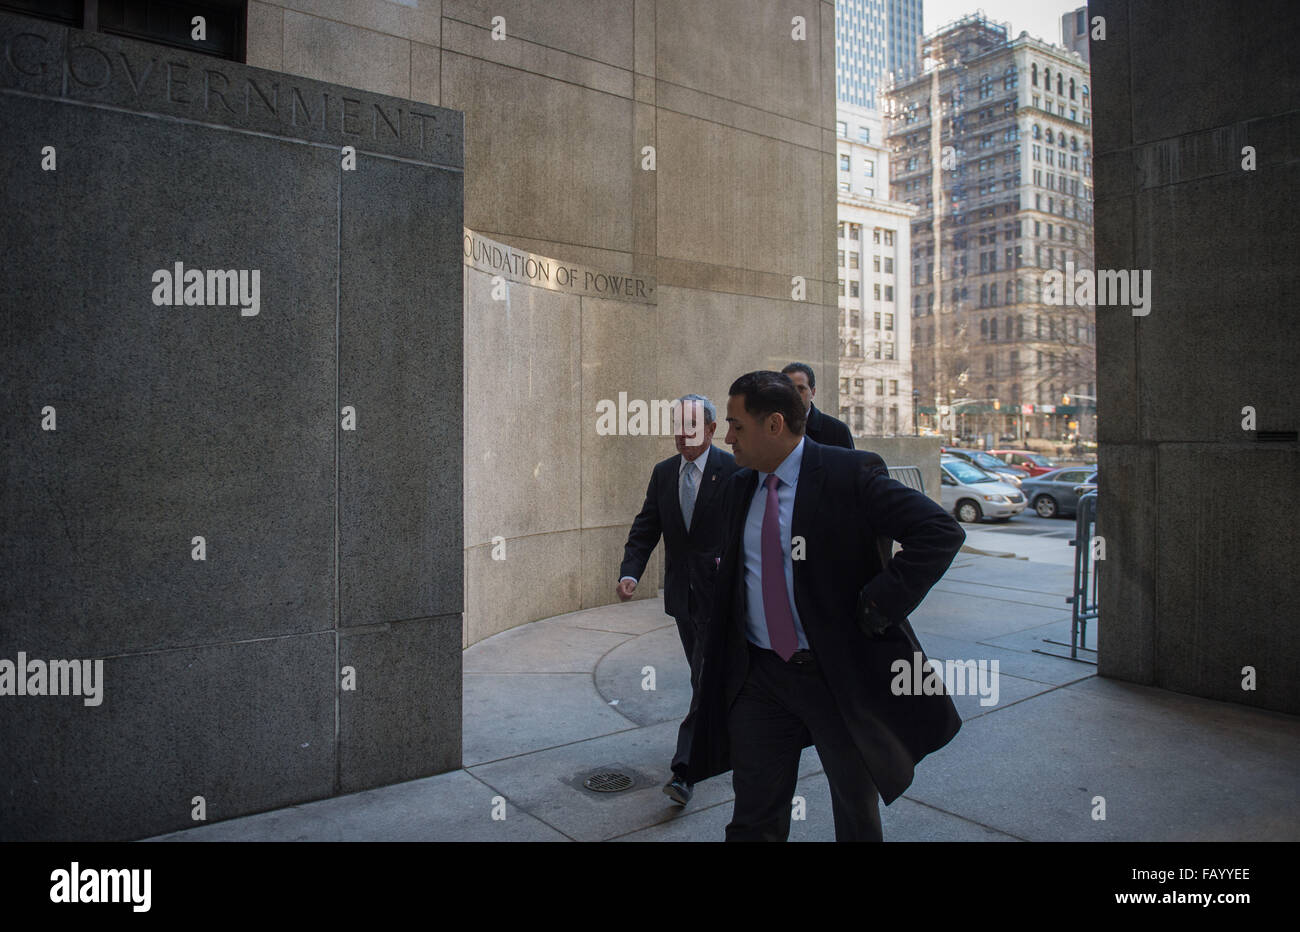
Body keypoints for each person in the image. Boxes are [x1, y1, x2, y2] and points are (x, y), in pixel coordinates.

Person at [683, 370, 965, 841]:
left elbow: (939, 532)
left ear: (774, 425)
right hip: (760, 679)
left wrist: (877, 603)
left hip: (835, 678)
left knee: (855, 809)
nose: (727, 437)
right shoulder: (738, 487)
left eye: (737, 425)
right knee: (753, 813)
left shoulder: (849, 473)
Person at [616, 394, 740, 806]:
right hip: (683, 597)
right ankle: (729, 738)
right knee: (701, 676)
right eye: (676, 425)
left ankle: (685, 770)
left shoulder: (734, 470)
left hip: (723, 595)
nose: (681, 434)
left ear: (710, 429)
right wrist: (630, 570)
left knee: (705, 680)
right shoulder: (664, 473)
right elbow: (647, 525)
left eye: (691, 425)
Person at [780, 362, 853, 449]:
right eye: (789, 388)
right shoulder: (770, 428)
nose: (794, 394)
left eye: (800, 389)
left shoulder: (837, 431)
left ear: (813, 392)